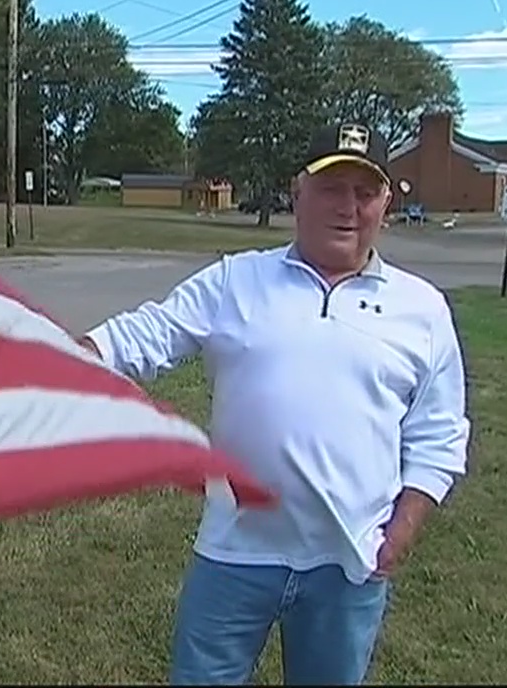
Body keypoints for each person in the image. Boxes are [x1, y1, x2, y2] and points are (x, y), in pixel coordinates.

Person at [79, 122, 471, 685]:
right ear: (298, 192)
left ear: (386, 202)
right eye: (332, 188)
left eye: (365, 192)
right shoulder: (238, 280)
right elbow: (144, 335)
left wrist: (403, 526)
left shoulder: (423, 309)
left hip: (348, 564)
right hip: (236, 552)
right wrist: (68, 355)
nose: (349, 207)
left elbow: (439, 434)